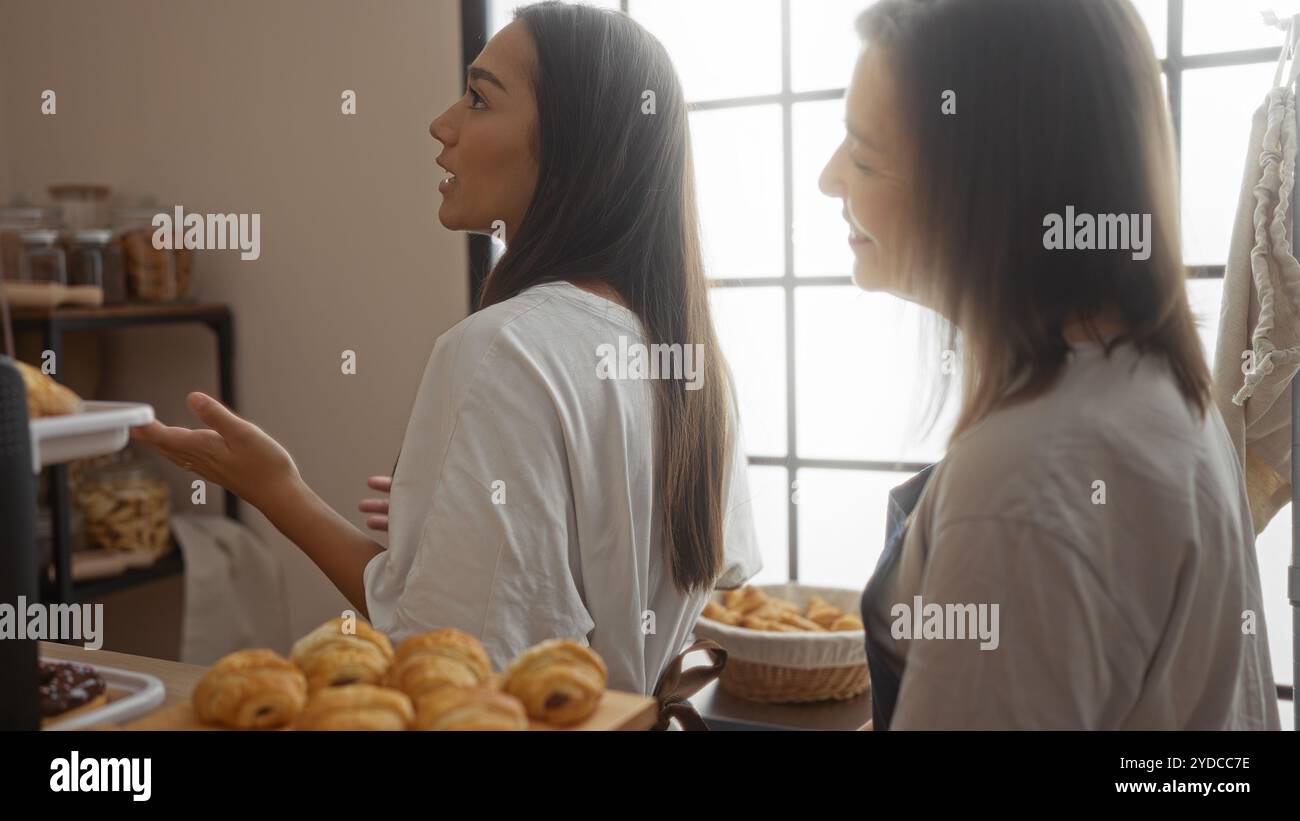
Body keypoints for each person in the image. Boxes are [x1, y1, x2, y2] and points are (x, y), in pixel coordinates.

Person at [133, 0, 760, 695]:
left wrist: (275, 489)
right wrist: (440, 537)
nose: (442, 125)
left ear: (573, 148)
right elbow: (678, 592)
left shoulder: (504, 350)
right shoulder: (691, 361)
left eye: (479, 99)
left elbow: (452, 662)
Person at [818, 0, 1279, 729]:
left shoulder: (1032, 474)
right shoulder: (1154, 394)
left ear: (985, 187)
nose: (828, 179)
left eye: (864, 156)